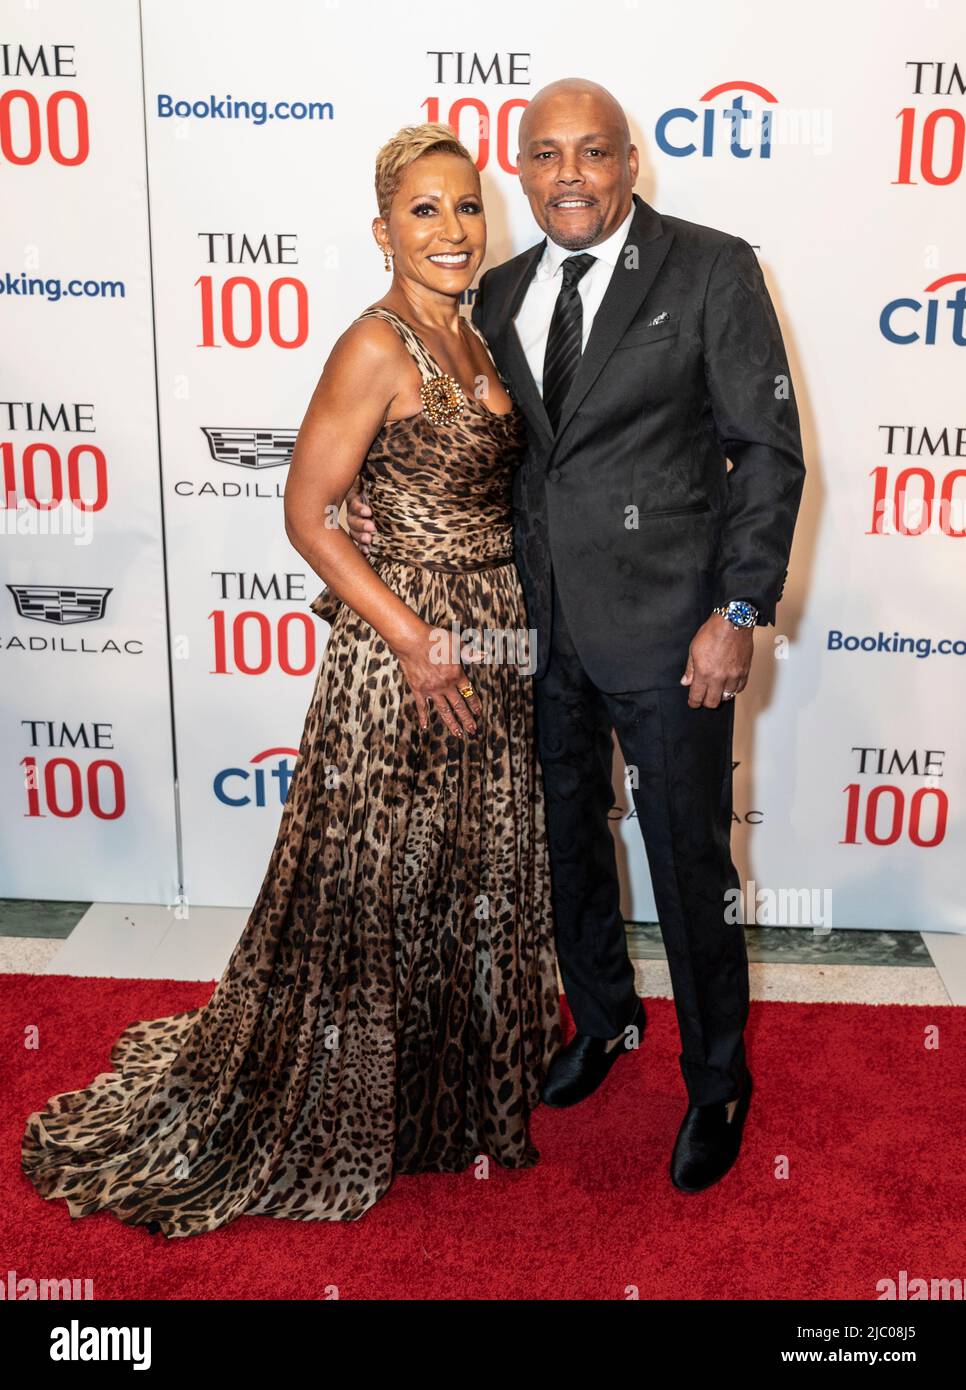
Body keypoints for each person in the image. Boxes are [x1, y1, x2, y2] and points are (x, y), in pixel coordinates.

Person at [21, 122, 561, 1238]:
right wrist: (413, 636)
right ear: (382, 230)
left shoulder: (473, 333)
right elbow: (308, 513)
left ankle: (434, 1096)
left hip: (493, 644)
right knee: (369, 889)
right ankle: (342, 1103)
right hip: (405, 658)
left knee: (463, 872)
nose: (452, 228)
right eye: (424, 210)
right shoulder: (375, 345)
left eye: (466, 207)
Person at [349, 79, 806, 1193]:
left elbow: (769, 453)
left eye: (591, 152)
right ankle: (603, 1018)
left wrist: (737, 610)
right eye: (545, 154)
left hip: (671, 638)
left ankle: (717, 1082)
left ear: (629, 162)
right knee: (562, 849)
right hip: (532, 634)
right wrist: (369, 496)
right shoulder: (496, 293)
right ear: (521, 167)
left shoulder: (711, 267)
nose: (568, 174)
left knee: (690, 863)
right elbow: (460, 434)